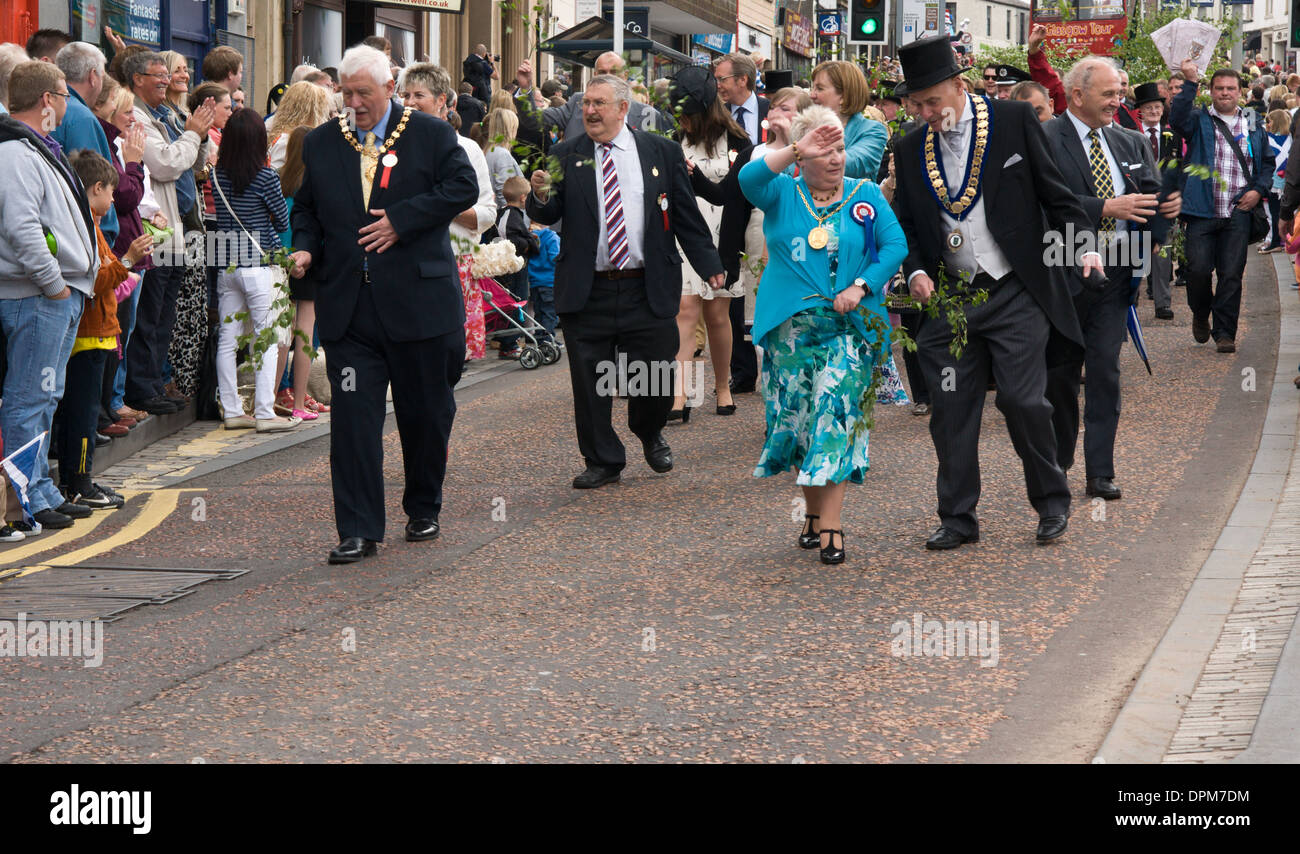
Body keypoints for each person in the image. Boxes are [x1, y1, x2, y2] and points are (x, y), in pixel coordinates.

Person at [891, 35, 1100, 549]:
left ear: (959, 86)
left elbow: (1057, 194)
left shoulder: (1013, 122)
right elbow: (909, 231)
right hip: (950, 300)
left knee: (1023, 400)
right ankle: (958, 517)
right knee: (950, 407)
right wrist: (915, 272)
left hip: (1015, 290)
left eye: (932, 101)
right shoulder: (908, 146)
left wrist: (1083, 246)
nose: (924, 112)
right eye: (916, 104)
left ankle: (1052, 502)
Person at [289, 44, 479, 564]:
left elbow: (462, 187)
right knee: (352, 421)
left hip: (419, 305)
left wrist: (404, 218)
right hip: (350, 310)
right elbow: (305, 209)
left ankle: (423, 506)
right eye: (345, 93)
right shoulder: (324, 143)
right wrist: (303, 247)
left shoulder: (432, 134)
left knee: (425, 415)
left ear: (390, 89)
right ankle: (357, 528)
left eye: (363, 93)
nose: (353, 102)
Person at [526, 74, 724, 489]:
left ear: (622, 109)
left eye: (599, 103)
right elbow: (547, 213)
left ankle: (649, 430)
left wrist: (710, 264)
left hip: (645, 285)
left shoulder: (661, 152)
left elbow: (685, 215)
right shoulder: (566, 153)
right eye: (586, 104)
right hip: (588, 286)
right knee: (590, 379)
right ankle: (603, 460)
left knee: (653, 374)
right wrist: (540, 195)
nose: (590, 111)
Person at [739, 106, 908, 564]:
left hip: (849, 328)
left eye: (838, 149)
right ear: (800, 156)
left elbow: (895, 247)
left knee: (835, 413)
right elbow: (747, 180)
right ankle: (812, 514)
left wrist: (861, 285)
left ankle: (831, 526)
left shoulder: (865, 193)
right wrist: (795, 146)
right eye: (822, 150)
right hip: (790, 333)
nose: (834, 158)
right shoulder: (782, 193)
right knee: (798, 424)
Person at [1042, 56, 1181, 504]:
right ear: (1077, 95)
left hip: (1117, 273)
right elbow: (1041, 206)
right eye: (1108, 94)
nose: (1117, 102)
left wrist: (1165, 217)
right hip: (1063, 270)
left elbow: (1150, 199)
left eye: (1119, 94)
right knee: (1060, 375)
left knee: (1105, 371)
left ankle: (1100, 471)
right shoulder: (1044, 140)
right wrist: (1103, 208)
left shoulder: (1131, 141)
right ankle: (1060, 459)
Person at [0, 61, 99, 530]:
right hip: (38, 295)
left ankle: (39, 489)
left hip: (52, 294)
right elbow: (21, 227)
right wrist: (53, 284)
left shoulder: (32, 148)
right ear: (46, 100)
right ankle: (27, 499)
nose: (65, 104)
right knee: (29, 397)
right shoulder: (18, 153)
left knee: (45, 394)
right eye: (63, 94)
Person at [58, 151, 152, 507]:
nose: (114, 200)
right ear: (95, 188)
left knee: (80, 413)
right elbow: (96, 279)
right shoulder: (85, 226)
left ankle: (79, 481)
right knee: (82, 416)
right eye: (110, 192)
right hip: (89, 332)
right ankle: (79, 483)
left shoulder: (90, 225)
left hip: (97, 330)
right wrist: (127, 259)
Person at [124, 50, 214, 415]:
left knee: (164, 316)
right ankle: (142, 388)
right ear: (136, 79)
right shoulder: (137, 118)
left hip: (175, 229)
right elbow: (165, 165)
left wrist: (197, 135)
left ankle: (155, 384)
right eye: (156, 74)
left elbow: (192, 161)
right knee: (149, 316)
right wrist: (192, 135)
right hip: (155, 233)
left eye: (167, 74)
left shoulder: (165, 115)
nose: (164, 80)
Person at [664, 66, 751, 420]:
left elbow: (735, 195)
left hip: (723, 233)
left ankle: (723, 387)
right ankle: (678, 395)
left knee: (718, 315)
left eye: (688, 116)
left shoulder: (738, 142)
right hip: (686, 232)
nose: (682, 122)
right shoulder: (673, 141)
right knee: (684, 311)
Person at [1171, 60, 1274, 354]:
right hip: (1202, 211)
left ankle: (1225, 332)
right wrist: (1189, 82)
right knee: (1198, 271)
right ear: (1211, 92)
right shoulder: (1199, 119)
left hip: (1238, 212)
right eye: (1219, 88)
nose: (1225, 93)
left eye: (1230, 88)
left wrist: (1257, 190)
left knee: (1231, 274)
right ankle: (1201, 313)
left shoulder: (1253, 120)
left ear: (1241, 92)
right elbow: (1177, 118)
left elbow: (1266, 163)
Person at [399, 63, 496, 361]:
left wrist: (439, 203)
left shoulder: (466, 149)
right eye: (406, 95)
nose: (411, 102)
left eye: (419, 95)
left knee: (447, 361)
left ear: (442, 100)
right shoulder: (391, 147)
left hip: (454, 262)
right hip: (403, 263)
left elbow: (487, 212)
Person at [211, 108, 298, 434]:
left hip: (229, 267)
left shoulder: (216, 176)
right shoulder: (266, 178)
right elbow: (282, 221)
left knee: (228, 342)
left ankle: (233, 410)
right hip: (260, 268)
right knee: (265, 341)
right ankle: (264, 411)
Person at [730, 86, 812, 396]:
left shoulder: (812, 151)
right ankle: (774, 396)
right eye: (775, 107)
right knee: (764, 316)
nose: (777, 113)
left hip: (801, 239)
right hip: (760, 236)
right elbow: (736, 194)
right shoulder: (756, 153)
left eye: (787, 109)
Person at [51, 42, 120, 246]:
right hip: (88, 236)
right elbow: (95, 183)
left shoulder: (49, 107)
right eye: (102, 74)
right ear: (92, 76)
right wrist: (104, 237)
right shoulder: (81, 117)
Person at [1133, 81, 1183, 319]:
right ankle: (1131, 295)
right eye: (1149, 108)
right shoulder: (1130, 136)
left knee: (1163, 253)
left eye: (1157, 107)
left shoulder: (1172, 136)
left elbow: (1179, 168)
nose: (1154, 112)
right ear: (1140, 111)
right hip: (1137, 199)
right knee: (1133, 250)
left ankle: (1162, 302)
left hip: (1163, 202)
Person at [538, 52, 667, 140]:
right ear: (595, 75)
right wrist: (525, 91)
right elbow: (536, 120)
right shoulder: (577, 103)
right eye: (602, 72)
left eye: (614, 72)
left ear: (626, 76)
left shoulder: (647, 115)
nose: (608, 77)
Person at [808, 60, 887, 179]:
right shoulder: (807, 128)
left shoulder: (873, 130)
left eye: (819, 88)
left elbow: (852, 165)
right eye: (812, 88)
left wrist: (801, 153)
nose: (812, 95)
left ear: (844, 96)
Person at [494, 175, 540, 359]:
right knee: (516, 302)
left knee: (519, 301)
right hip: (512, 268)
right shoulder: (509, 216)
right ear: (523, 198)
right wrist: (529, 242)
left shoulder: (508, 214)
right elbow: (509, 240)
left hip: (516, 266)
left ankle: (512, 340)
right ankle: (509, 342)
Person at [267, 80, 332, 171]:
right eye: (321, 111)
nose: (324, 118)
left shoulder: (289, 139)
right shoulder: (286, 141)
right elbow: (277, 179)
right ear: (310, 112)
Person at [714, 53, 768, 147]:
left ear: (743, 80)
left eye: (722, 79)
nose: (717, 86)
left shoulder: (770, 110)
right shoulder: (717, 116)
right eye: (716, 80)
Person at [483, 107, 524, 212]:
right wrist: (512, 215)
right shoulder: (502, 154)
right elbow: (505, 192)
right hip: (505, 217)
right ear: (511, 129)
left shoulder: (490, 151)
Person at [527, 217, 560, 344]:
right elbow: (554, 257)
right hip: (549, 282)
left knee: (539, 313)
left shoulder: (530, 238)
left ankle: (540, 338)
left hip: (535, 282)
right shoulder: (551, 237)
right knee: (550, 314)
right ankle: (548, 339)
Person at [1263, 109, 1291, 254]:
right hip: (1287, 182)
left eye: (1269, 121)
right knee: (1285, 214)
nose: (1267, 124)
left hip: (1274, 183)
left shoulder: (1269, 139)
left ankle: (1275, 242)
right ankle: (1286, 240)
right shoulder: (1291, 138)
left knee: (1275, 214)